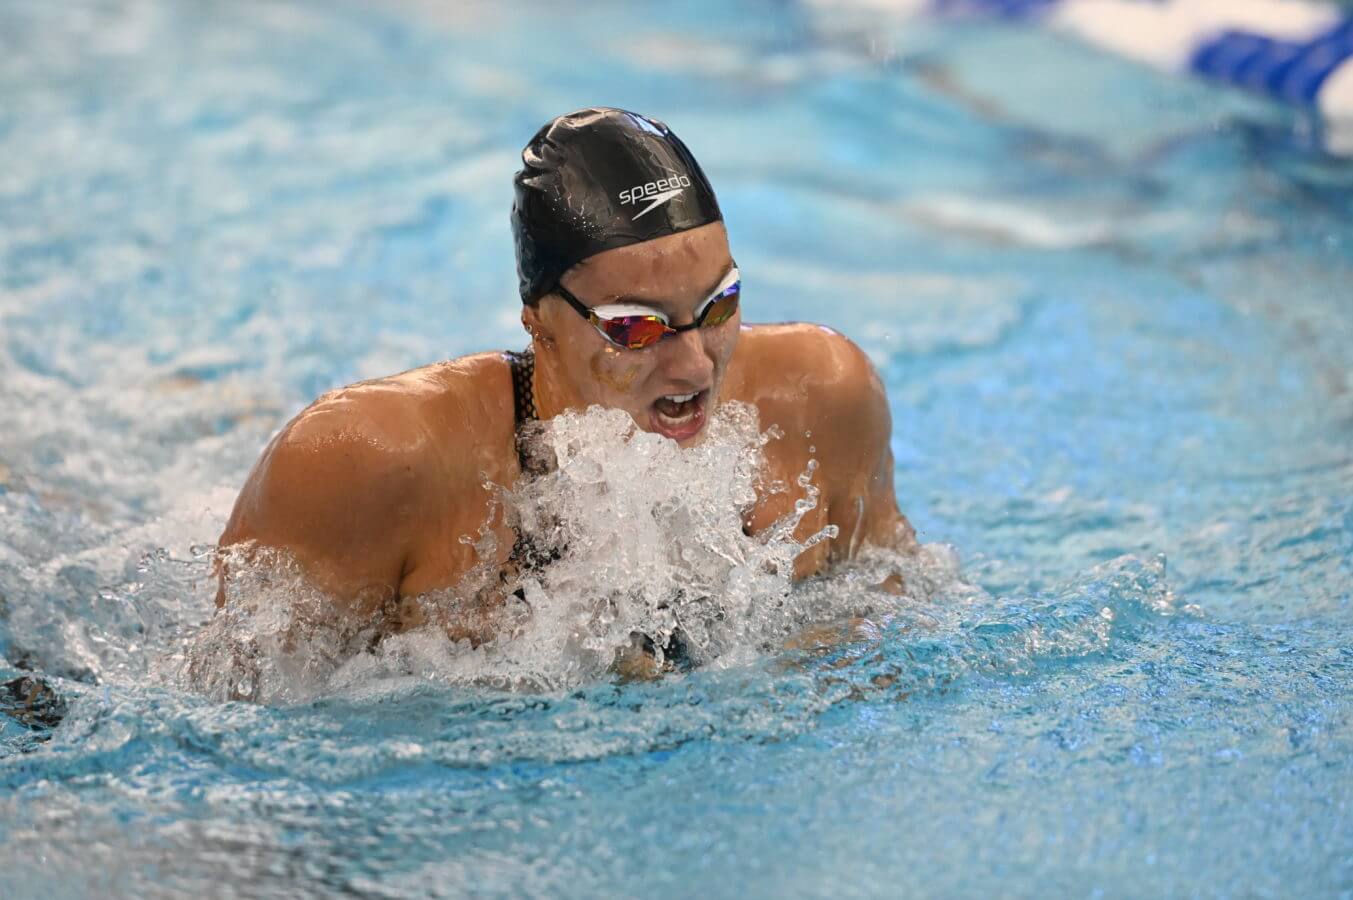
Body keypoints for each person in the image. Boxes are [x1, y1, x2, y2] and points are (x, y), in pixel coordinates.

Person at [216, 107, 917, 655]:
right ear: (538, 323)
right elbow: (233, 739)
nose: (695, 366)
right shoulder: (366, 463)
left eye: (719, 306)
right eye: (634, 328)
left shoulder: (821, 398)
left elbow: (896, 619)